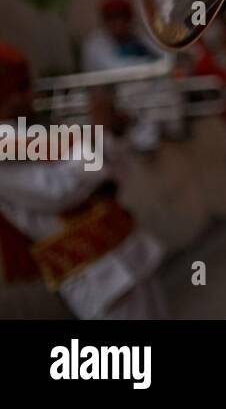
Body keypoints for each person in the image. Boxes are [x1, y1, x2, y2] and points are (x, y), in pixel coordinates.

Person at [0, 42, 167, 319]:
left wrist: (114, 135)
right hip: (96, 277)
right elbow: (58, 192)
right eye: (19, 89)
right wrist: (100, 134)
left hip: (128, 250)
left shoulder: (32, 134)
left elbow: (109, 177)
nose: (31, 95)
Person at [81, 0, 180, 152]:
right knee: (134, 87)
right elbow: (113, 70)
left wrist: (150, 69)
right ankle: (145, 139)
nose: (117, 24)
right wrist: (147, 68)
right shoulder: (95, 43)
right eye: (112, 19)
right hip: (115, 93)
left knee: (165, 84)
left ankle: (171, 129)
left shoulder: (140, 36)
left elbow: (168, 58)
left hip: (151, 87)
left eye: (121, 18)